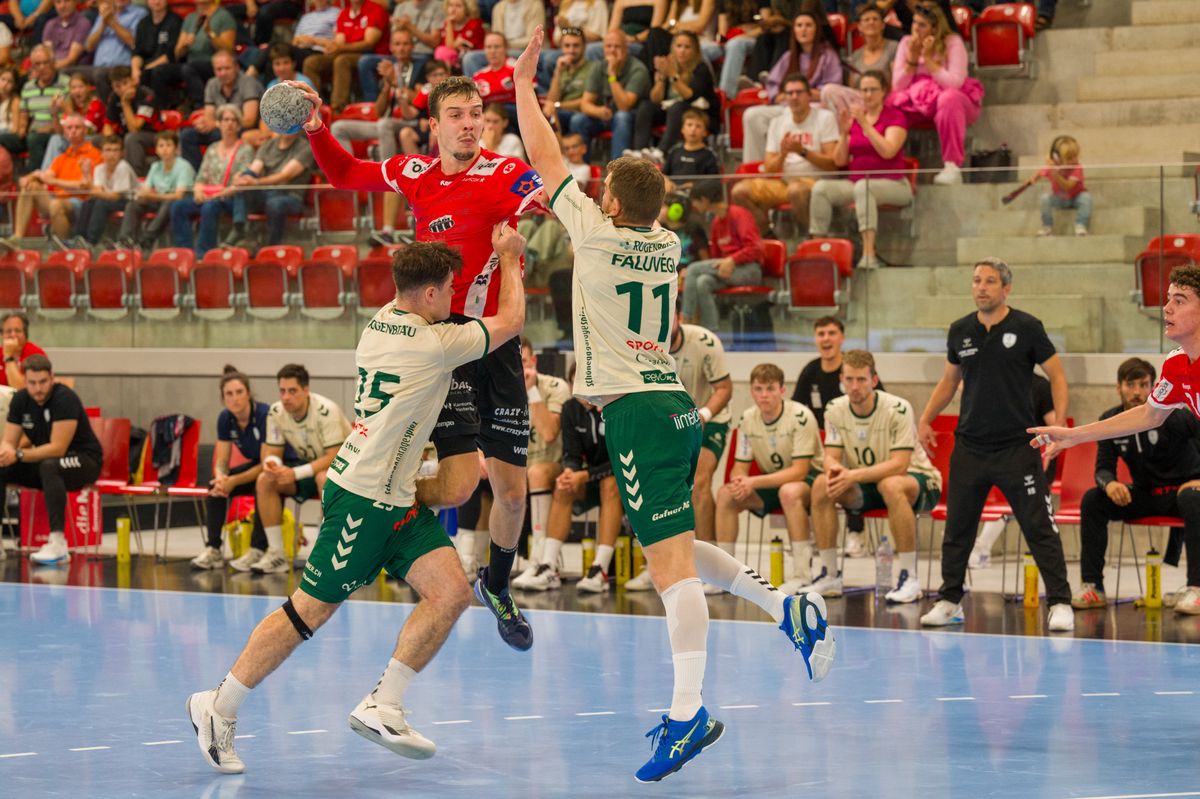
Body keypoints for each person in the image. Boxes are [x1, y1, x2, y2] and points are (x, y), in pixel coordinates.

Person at [514, 26, 835, 781]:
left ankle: (690, 712)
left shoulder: (594, 232)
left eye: (603, 193)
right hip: (672, 406)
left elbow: (546, 157)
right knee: (679, 548)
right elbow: (588, 183)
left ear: (612, 201)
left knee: (670, 575)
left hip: (636, 411)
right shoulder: (663, 244)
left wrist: (524, 86)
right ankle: (785, 605)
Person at [186, 228, 529, 776]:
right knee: (308, 611)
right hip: (363, 500)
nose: (452, 302)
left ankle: (384, 703)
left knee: (451, 592)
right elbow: (510, 322)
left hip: (394, 497)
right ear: (432, 295)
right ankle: (217, 705)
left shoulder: (379, 323)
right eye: (448, 291)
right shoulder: (431, 343)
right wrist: (510, 258)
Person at [294, 72, 547, 651]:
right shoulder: (414, 173)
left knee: (511, 492)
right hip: (439, 348)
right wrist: (317, 128)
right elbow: (342, 174)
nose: (469, 123)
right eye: (456, 114)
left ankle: (498, 584)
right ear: (433, 125)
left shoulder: (506, 173)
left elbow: (555, 202)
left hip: (497, 343)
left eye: (477, 112)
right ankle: (387, 523)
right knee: (459, 489)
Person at [918, 257, 1073, 631]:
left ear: (1006, 288)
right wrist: (925, 418)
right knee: (958, 528)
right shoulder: (960, 331)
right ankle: (950, 599)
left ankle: (1061, 603)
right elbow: (949, 382)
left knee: (1039, 526)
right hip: (970, 447)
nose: (981, 287)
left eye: (990, 281)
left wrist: (1059, 431)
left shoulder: (1027, 327)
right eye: (976, 281)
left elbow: (1057, 377)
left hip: (1016, 449)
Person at [1065, 357, 1200, 613]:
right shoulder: (1111, 419)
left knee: (1194, 497)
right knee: (1094, 500)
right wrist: (1110, 484)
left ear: (1154, 387)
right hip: (1143, 494)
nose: (1137, 392)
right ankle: (1093, 585)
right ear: (1118, 387)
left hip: (1183, 493)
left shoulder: (1176, 415)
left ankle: (1197, 589)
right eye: (1130, 385)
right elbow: (1102, 468)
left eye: (1144, 385)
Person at [805, 349, 941, 602]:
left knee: (891, 485)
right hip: (868, 483)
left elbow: (899, 465)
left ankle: (909, 577)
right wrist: (834, 469)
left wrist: (852, 475)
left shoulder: (898, 408)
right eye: (849, 380)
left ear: (874, 381)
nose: (855, 387)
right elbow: (831, 455)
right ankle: (830, 575)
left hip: (918, 479)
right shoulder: (834, 408)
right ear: (841, 381)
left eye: (861, 380)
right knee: (823, 483)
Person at [626, 309, 731, 590]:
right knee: (653, 489)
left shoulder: (705, 342)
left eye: (668, 316)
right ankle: (659, 564)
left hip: (708, 419)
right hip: (664, 423)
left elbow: (724, 388)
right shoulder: (640, 344)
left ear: (679, 317)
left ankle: (712, 573)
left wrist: (704, 415)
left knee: (699, 483)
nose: (660, 322)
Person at [716, 363, 821, 595]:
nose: (764, 395)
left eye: (770, 389)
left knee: (789, 491)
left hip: (809, 483)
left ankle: (802, 575)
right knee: (726, 494)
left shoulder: (800, 416)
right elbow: (739, 466)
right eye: (759, 389)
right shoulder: (747, 419)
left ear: (782, 391)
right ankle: (725, 576)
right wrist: (740, 481)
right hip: (770, 482)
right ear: (752, 391)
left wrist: (752, 482)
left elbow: (800, 471)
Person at [243, 363, 352, 575]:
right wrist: (273, 465)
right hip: (310, 467)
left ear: (305, 390)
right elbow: (272, 450)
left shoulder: (325, 410)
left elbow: (334, 457)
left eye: (292, 391)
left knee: (324, 478)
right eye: (282, 391)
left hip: (345, 469)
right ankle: (276, 554)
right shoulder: (276, 411)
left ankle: (326, 553)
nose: (286, 397)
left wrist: (295, 473)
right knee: (265, 480)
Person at [514, 383, 623, 592]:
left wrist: (585, 474)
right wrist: (570, 472)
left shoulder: (615, 406)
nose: (582, 390)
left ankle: (599, 570)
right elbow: (571, 454)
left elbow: (622, 459)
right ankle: (548, 567)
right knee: (563, 486)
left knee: (610, 485)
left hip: (622, 479)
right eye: (577, 384)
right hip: (588, 479)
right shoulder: (571, 408)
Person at [791, 315, 884, 556]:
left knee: (843, 468)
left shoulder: (857, 369)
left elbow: (879, 405)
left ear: (841, 338)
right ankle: (816, 536)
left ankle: (855, 533)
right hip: (820, 446)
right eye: (821, 334)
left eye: (832, 333)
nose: (826, 339)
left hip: (858, 442)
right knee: (817, 473)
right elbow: (794, 412)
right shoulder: (810, 371)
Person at [0, 355, 102, 565]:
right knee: (2, 468)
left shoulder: (65, 398)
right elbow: (9, 442)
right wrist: (5, 454)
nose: (38, 388)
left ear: (52, 378)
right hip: (50, 465)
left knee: (49, 465)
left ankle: (58, 542)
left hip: (83, 461)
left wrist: (18, 454)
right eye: (32, 383)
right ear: (25, 381)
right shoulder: (21, 400)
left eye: (43, 382)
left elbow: (58, 448)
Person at [810, 69, 910, 270]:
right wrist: (844, 132)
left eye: (873, 90)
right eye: (864, 90)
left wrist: (866, 125)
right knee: (821, 188)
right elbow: (839, 160)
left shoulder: (895, 117)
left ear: (884, 92)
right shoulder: (855, 119)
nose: (868, 95)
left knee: (864, 187)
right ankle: (816, 248)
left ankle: (868, 254)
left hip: (894, 183)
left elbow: (888, 151)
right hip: (856, 183)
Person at [731, 72, 838, 236]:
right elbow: (769, 170)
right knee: (739, 191)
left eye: (799, 92)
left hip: (817, 182)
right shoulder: (778, 122)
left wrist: (802, 151)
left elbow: (833, 164)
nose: (794, 97)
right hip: (786, 183)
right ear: (784, 97)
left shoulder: (825, 118)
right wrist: (783, 154)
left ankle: (816, 238)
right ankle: (767, 233)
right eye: (790, 93)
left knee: (796, 191)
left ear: (809, 95)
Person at [890, 1, 982, 185]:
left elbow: (954, 83)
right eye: (915, 23)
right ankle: (893, 167)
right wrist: (913, 59)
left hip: (953, 100)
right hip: (918, 99)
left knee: (949, 98)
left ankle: (952, 166)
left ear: (935, 28)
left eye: (922, 25)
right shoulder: (906, 42)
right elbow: (898, 85)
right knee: (891, 104)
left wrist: (930, 60)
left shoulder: (953, 42)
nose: (916, 28)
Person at [191, 366, 271, 571]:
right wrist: (221, 478)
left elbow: (265, 463)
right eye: (229, 394)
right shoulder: (225, 418)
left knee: (262, 485)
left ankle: (257, 549)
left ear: (249, 394)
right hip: (255, 466)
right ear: (223, 397)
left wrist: (233, 481)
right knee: (215, 489)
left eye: (239, 392)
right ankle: (214, 550)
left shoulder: (264, 415)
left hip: (275, 466)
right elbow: (222, 459)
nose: (234, 398)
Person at [740, 11, 842, 165]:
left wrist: (804, 95)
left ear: (816, 29)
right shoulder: (789, 56)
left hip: (815, 107)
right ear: (794, 30)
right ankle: (754, 167)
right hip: (787, 104)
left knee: (795, 110)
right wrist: (783, 95)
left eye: (808, 25)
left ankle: (805, 163)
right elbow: (774, 87)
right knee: (752, 115)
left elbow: (831, 89)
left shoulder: (828, 55)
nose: (803, 29)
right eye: (799, 26)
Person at [512, 337, 571, 582]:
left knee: (535, 472)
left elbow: (548, 434)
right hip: (517, 467)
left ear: (533, 362)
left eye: (523, 362)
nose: (518, 368)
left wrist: (531, 391)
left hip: (556, 466)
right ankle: (471, 561)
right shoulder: (500, 389)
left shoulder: (556, 386)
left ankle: (540, 562)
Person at [168, 104, 254, 256]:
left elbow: (241, 182)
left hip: (230, 198)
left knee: (209, 207)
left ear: (239, 125)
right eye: (225, 120)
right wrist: (198, 191)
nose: (229, 123)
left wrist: (217, 195)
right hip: (209, 195)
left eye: (234, 120)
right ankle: (185, 252)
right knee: (178, 206)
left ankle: (204, 254)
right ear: (219, 124)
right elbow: (201, 177)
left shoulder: (245, 149)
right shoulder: (212, 148)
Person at [683, 179, 764, 331]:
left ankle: (686, 321)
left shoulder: (739, 215)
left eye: (695, 202)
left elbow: (755, 248)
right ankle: (711, 332)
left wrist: (732, 259)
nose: (694, 206)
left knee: (693, 269)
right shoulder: (716, 222)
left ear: (705, 200)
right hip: (727, 271)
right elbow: (715, 257)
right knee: (703, 282)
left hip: (749, 270)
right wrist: (723, 263)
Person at [7, 113, 99, 245]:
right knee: (31, 187)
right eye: (69, 128)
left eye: (77, 127)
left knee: (56, 205)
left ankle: (63, 248)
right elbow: (46, 175)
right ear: (65, 131)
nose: (73, 131)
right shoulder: (62, 157)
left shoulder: (94, 154)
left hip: (81, 202)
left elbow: (86, 185)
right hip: (57, 198)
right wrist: (30, 177)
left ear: (85, 130)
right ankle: (17, 238)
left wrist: (55, 182)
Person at [630, 30, 717, 161]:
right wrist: (661, 78)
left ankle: (661, 152)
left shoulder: (701, 68)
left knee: (677, 107)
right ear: (673, 48)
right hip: (671, 112)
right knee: (646, 106)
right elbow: (656, 99)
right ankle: (639, 150)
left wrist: (672, 75)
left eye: (687, 47)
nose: (682, 51)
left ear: (695, 50)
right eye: (679, 46)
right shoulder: (668, 66)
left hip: (699, 113)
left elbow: (690, 96)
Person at [569, 30, 649, 160]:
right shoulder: (598, 67)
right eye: (608, 46)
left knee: (621, 117)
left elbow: (624, 106)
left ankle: (618, 171)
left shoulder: (637, 69)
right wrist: (599, 111)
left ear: (626, 48)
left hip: (633, 118)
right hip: (606, 115)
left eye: (617, 46)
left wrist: (612, 75)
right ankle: (582, 168)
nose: (612, 50)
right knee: (578, 120)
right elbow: (585, 104)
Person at [180, 50, 263, 170]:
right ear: (214, 71)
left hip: (243, 130)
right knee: (187, 135)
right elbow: (210, 116)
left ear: (236, 67)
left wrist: (216, 123)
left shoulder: (248, 83)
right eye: (219, 69)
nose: (223, 73)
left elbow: (249, 120)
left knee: (232, 132)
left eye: (227, 68)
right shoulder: (212, 84)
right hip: (221, 130)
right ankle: (198, 175)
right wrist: (204, 123)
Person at [233, 130, 316, 248]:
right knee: (243, 186)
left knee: (275, 203)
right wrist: (242, 178)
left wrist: (256, 182)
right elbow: (254, 169)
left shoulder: (305, 148)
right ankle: (239, 228)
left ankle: (272, 246)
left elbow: (284, 176)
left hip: (289, 195)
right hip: (266, 192)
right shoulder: (268, 145)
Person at [302, 0, 388, 114]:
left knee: (341, 60)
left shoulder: (376, 10)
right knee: (311, 62)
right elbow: (339, 41)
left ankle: (337, 109)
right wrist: (332, 47)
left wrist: (339, 48)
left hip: (371, 54)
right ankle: (316, 107)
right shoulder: (344, 13)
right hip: (346, 52)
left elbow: (369, 43)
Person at [117, 129, 193, 249]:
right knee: (133, 204)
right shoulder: (155, 166)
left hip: (178, 202)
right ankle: (125, 241)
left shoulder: (184, 166)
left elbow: (178, 195)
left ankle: (147, 239)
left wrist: (151, 196)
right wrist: (142, 195)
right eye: (161, 146)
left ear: (176, 148)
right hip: (159, 200)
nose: (165, 149)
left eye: (168, 145)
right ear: (156, 150)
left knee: (169, 204)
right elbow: (146, 189)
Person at [819, 2, 897, 117]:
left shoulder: (894, 47)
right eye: (866, 20)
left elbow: (896, 84)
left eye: (875, 19)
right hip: (861, 102)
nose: (871, 22)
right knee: (828, 92)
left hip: (884, 100)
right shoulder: (855, 56)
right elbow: (852, 88)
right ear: (859, 26)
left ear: (882, 25)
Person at [71, 133, 137, 247]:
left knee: (101, 203)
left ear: (122, 153)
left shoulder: (123, 167)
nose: (112, 154)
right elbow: (98, 190)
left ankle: (91, 241)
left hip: (129, 201)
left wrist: (91, 190)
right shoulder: (99, 168)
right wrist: (86, 175)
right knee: (88, 202)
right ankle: (79, 238)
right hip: (109, 199)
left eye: (116, 150)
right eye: (108, 150)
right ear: (101, 153)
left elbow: (115, 196)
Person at [19, 45, 71, 170]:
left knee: (35, 139)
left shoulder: (66, 83)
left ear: (53, 63)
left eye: (45, 63)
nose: (42, 67)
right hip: (32, 132)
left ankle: (35, 179)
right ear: (33, 67)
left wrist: (50, 127)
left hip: (57, 131)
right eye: (37, 64)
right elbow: (23, 114)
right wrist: (21, 129)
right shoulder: (28, 87)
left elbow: (71, 114)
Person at [83, 0, 146, 98]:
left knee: (100, 74)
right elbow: (89, 46)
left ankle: (106, 111)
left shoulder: (139, 13)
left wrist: (112, 22)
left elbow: (134, 42)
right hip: (97, 67)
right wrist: (103, 24)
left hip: (122, 67)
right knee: (66, 73)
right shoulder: (104, 14)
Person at [104, 65, 161, 176]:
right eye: (117, 86)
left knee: (132, 138)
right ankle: (108, 176)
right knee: (97, 140)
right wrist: (109, 141)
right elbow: (108, 125)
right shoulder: (114, 97)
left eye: (125, 83)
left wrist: (125, 104)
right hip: (125, 135)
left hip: (152, 135)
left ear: (133, 81)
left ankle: (135, 178)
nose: (122, 89)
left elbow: (134, 128)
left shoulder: (147, 95)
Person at [538, 3, 607, 91]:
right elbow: (557, 40)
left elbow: (598, 36)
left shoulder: (597, 3)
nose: (571, 50)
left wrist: (570, 27)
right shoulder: (565, 4)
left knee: (550, 58)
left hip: (589, 43)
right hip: (566, 45)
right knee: (539, 56)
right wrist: (564, 30)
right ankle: (543, 94)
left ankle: (584, 89)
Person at [1036, 135, 1090, 238]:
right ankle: (1047, 227)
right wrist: (1033, 179)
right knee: (1045, 198)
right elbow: (1041, 172)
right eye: (1069, 158)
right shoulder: (1053, 167)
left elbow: (1068, 186)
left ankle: (1080, 225)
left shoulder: (1077, 168)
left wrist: (1057, 176)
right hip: (1060, 198)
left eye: (1075, 156)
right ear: (1057, 157)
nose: (1074, 160)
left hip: (1076, 198)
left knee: (1086, 198)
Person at [540, 26, 594, 130]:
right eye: (567, 46)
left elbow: (586, 101)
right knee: (544, 116)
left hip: (583, 114)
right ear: (561, 47)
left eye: (576, 46)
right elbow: (551, 100)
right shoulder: (562, 68)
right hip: (562, 113)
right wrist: (558, 72)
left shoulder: (593, 68)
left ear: (584, 47)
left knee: (577, 120)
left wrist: (557, 106)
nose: (571, 50)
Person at [131, 0, 182, 105]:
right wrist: (135, 70)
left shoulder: (175, 20)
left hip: (170, 65)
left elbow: (170, 54)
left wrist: (146, 68)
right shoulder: (143, 23)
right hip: (147, 66)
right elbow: (138, 52)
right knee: (124, 74)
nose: (156, 1)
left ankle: (162, 109)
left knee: (156, 72)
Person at [356, 27, 420, 105]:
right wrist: (387, 85)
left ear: (413, 46)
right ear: (390, 47)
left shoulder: (421, 68)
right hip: (390, 115)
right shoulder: (390, 68)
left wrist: (395, 82)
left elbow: (422, 102)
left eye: (405, 44)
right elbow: (379, 111)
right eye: (397, 44)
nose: (401, 48)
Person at [661, 108, 719, 190]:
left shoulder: (710, 155)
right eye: (689, 125)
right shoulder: (674, 151)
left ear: (705, 132)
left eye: (698, 126)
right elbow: (663, 175)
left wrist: (694, 186)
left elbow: (713, 183)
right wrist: (667, 182)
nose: (693, 129)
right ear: (682, 129)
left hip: (697, 198)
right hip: (672, 195)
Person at [433, 0, 485, 71]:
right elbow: (447, 48)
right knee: (440, 51)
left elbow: (450, 46)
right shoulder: (447, 24)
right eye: (451, 5)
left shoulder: (474, 24)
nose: (453, 10)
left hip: (472, 59)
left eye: (458, 6)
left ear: (467, 9)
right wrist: (449, 24)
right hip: (454, 61)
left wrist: (449, 23)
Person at [0, 313, 47, 390]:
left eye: (17, 331)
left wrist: (9, 357)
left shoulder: (36, 354)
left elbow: (21, 389)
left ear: (25, 334)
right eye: (8, 331)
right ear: (2, 335)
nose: (13, 335)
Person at [43, 0, 91, 72]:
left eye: (67, 1)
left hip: (71, 69)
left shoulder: (83, 23)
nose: (62, 6)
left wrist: (50, 69)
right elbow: (48, 54)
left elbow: (71, 59)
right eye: (58, 2)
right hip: (51, 68)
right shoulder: (50, 24)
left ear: (75, 2)